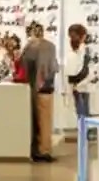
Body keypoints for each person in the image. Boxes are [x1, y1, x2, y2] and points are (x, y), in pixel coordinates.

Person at [22, 22, 60, 163]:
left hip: (34, 86)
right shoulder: (51, 46)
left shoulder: (29, 47)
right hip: (48, 86)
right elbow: (54, 67)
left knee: (37, 120)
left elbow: (24, 66)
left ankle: (40, 151)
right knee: (46, 120)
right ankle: (46, 149)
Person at [65, 24, 95, 123]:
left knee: (82, 116)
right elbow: (78, 74)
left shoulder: (75, 53)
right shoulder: (80, 53)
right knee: (83, 118)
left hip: (80, 87)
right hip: (80, 88)